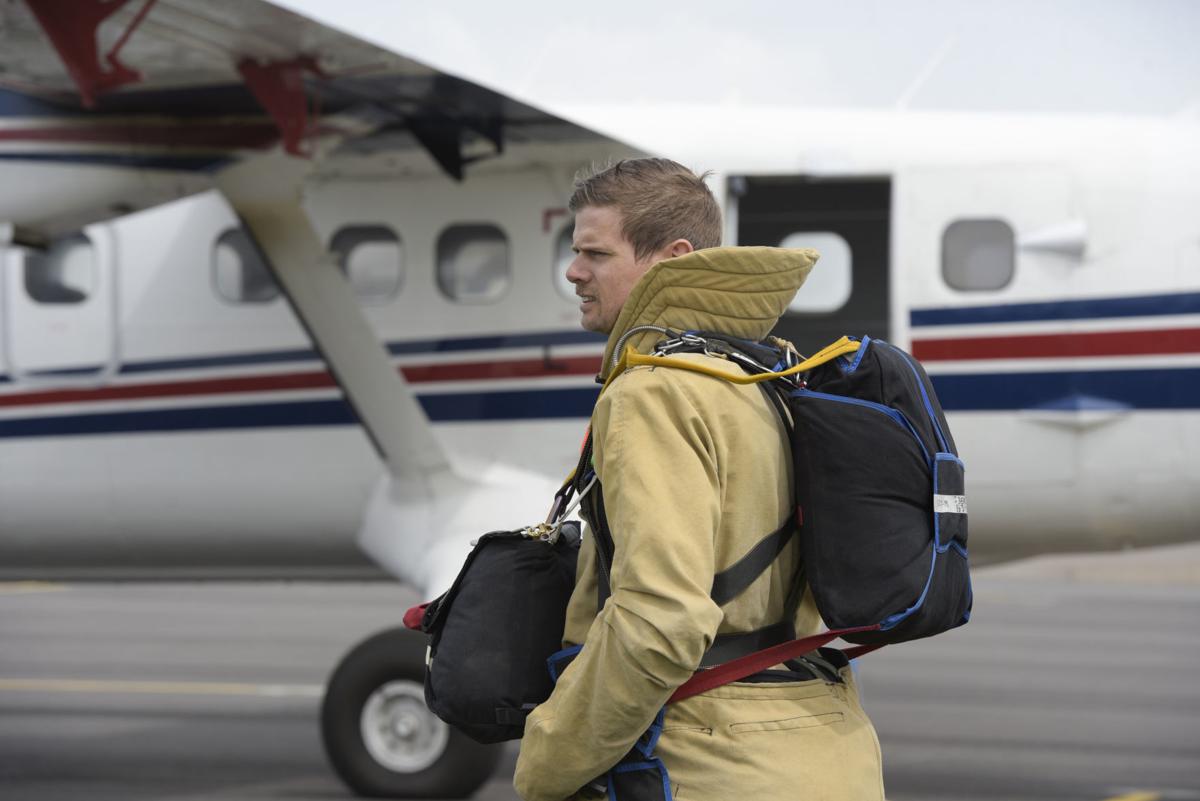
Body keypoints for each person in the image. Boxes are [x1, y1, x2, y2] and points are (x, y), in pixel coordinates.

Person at [514, 158, 885, 801]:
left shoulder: (653, 395)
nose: (573, 272)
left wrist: (548, 758)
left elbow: (662, 622)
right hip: (828, 751)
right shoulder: (772, 381)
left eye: (594, 254)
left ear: (671, 259)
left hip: (712, 766)